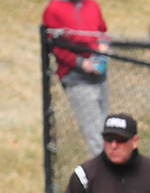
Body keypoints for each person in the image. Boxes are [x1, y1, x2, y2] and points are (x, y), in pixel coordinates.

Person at [42, 0, 111, 159]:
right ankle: (106, 178)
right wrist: (80, 63)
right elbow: (54, 45)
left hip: (99, 75)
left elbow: (103, 33)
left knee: (107, 130)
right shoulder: (54, 9)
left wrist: (103, 52)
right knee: (96, 134)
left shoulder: (92, 5)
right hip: (76, 77)